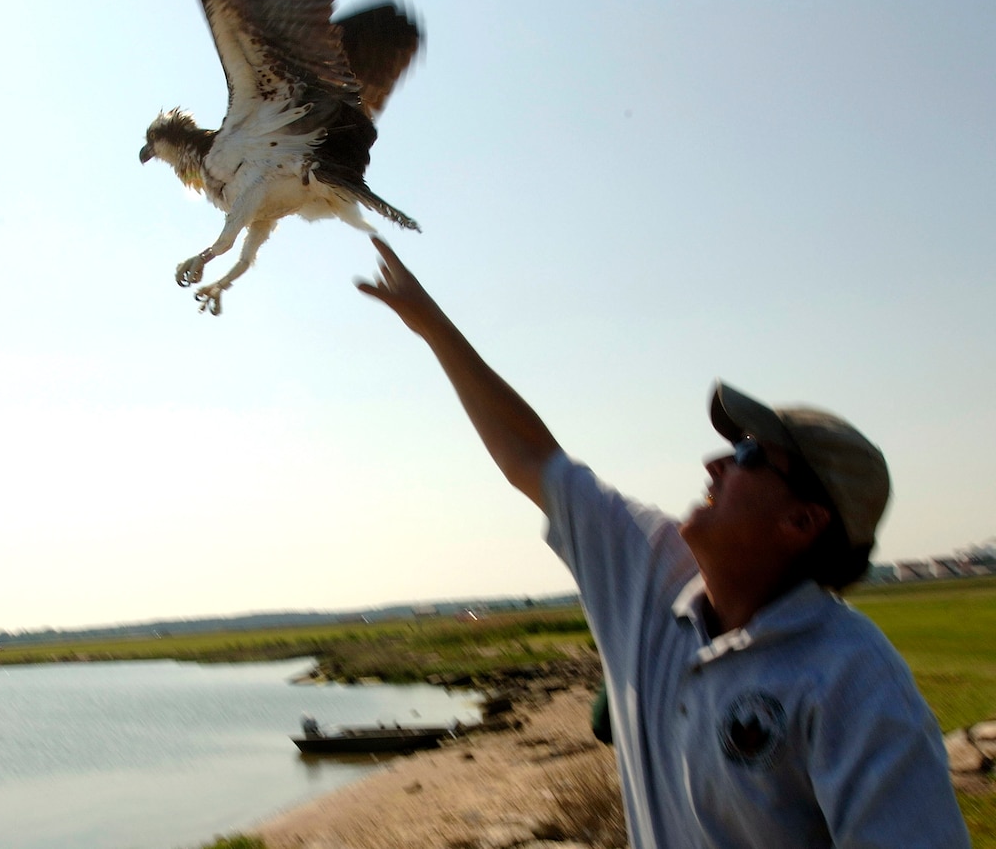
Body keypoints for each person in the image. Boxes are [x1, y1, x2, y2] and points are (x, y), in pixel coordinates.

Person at [355, 238, 970, 848]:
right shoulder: (650, 575)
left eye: (749, 454)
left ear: (803, 523)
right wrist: (431, 325)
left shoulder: (854, 679)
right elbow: (532, 458)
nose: (714, 463)